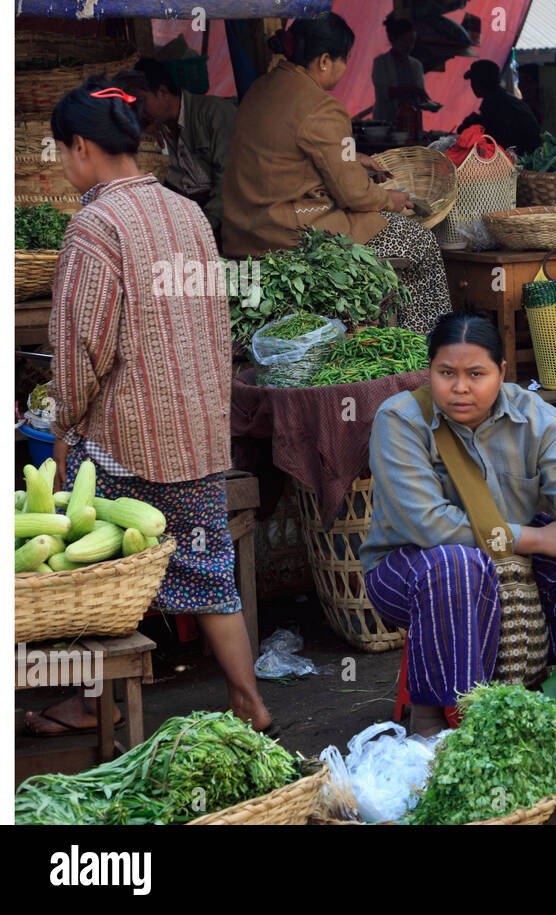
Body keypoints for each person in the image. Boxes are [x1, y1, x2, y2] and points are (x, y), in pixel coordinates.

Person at [26, 77, 272, 737]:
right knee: (208, 568)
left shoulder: (94, 226)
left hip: (127, 439)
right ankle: (249, 698)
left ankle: (83, 703)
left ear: (81, 147)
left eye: (61, 150)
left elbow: (83, 349)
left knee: (93, 564)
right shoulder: (186, 211)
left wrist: (65, 423)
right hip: (195, 435)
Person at [361, 313, 556, 734]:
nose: (460, 387)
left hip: (511, 562)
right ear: (428, 370)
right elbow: (428, 525)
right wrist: (535, 539)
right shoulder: (399, 420)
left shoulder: (530, 414)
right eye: (445, 373)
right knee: (458, 566)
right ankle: (431, 723)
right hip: (409, 568)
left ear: (502, 372)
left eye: (476, 374)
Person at [222, 14, 452, 334]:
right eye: (345, 61)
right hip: (296, 236)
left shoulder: (261, 89)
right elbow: (354, 194)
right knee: (421, 242)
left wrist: (352, 158)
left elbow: (286, 152)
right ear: (325, 60)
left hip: (247, 231)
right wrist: (390, 199)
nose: (345, 70)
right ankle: (427, 345)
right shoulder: (323, 107)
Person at [112, 59, 235, 238]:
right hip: (186, 220)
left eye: (141, 101)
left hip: (222, 221)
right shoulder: (153, 129)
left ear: (162, 92)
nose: (136, 110)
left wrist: (204, 226)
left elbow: (229, 180)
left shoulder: (214, 113)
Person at [456, 59, 541, 155]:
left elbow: (495, 139)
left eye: (473, 81)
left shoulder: (497, 105)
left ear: (482, 82)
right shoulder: (502, 100)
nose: (472, 86)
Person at [371, 14, 429, 126]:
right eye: (404, 41)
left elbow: (420, 96)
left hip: (411, 122)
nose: (408, 46)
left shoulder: (416, 65)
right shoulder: (381, 63)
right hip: (386, 122)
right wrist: (412, 89)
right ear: (393, 39)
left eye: (411, 42)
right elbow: (385, 93)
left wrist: (426, 101)